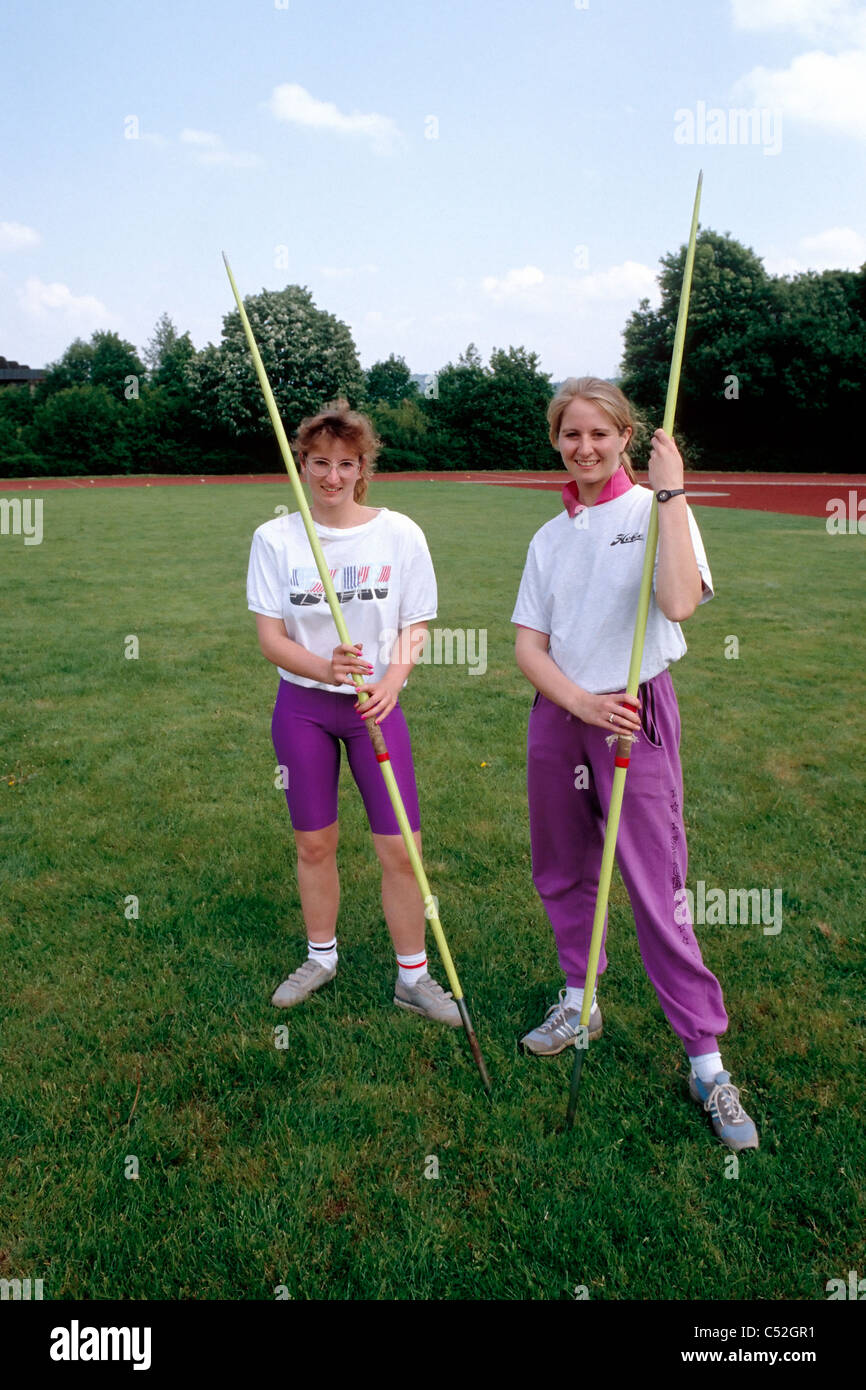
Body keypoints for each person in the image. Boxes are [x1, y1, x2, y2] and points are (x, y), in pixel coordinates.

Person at [511, 377, 758, 1151]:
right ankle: (579, 1001)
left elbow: (680, 604)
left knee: (657, 887)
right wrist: (578, 706)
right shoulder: (548, 539)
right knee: (562, 871)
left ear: (626, 436)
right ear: (557, 440)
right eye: (570, 434)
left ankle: (707, 1066)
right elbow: (528, 646)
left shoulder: (654, 512)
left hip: (634, 712)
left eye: (600, 433)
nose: (584, 447)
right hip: (564, 717)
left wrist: (674, 494)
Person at [246, 400, 460, 1027]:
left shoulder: (399, 533)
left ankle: (414, 978)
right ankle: (321, 957)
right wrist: (326, 667)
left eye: (345, 463)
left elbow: (414, 625)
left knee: (401, 849)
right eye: (319, 462)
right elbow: (272, 638)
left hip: (375, 709)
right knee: (314, 843)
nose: (331, 476)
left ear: (363, 466)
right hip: (304, 708)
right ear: (302, 465)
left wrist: (392, 681)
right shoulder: (276, 537)